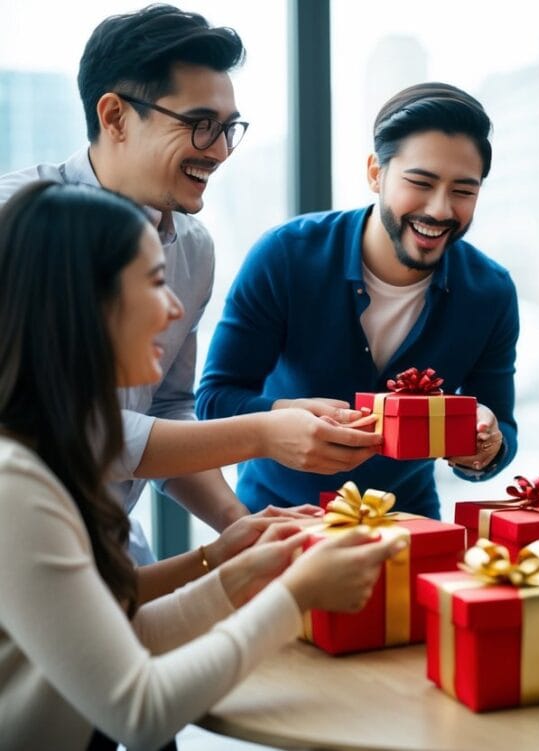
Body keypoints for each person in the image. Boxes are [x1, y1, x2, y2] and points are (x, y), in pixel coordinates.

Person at [0, 181, 406, 750]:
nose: (172, 309)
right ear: (82, 302)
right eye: (155, 282)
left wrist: (232, 560)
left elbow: (129, 630)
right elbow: (140, 715)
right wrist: (294, 597)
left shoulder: (48, 452)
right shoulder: (14, 484)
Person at [0, 5, 381, 571]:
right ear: (115, 116)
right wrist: (264, 433)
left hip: (110, 545)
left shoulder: (193, 247)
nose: (220, 149)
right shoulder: (19, 222)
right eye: (200, 123)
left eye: (229, 128)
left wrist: (237, 521)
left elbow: (170, 405)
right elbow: (62, 421)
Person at [197, 82, 518, 517]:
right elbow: (214, 399)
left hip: (409, 526)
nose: (441, 210)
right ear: (375, 173)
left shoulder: (491, 292)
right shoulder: (286, 255)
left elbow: (500, 427)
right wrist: (279, 419)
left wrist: (487, 446)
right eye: (420, 183)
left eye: (463, 191)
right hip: (275, 521)